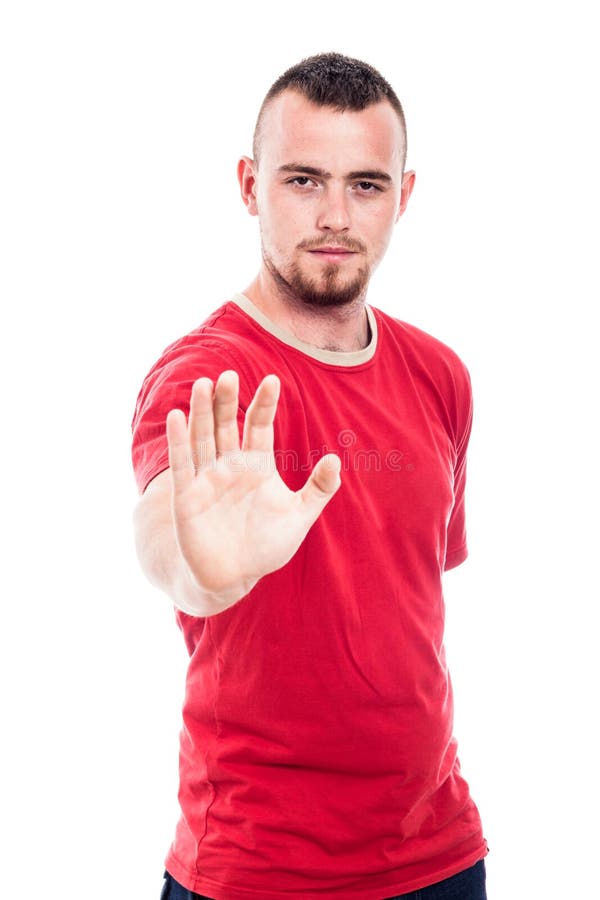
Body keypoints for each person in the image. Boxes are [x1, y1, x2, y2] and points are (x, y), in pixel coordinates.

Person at [132, 52, 488, 900]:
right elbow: (162, 537)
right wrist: (198, 569)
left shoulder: (441, 374)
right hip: (260, 871)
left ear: (402, 197)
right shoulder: (205, 378)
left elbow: (410, 602)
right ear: (251, 185)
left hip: (439, 854)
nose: (335, 214)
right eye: (303, 179)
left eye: (366, 184)